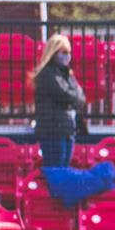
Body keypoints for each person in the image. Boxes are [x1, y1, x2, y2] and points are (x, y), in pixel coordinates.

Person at [31, 34, 89, 171]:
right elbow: (65, 95)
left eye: (69, 52)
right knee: (56, 170)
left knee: (64, 169)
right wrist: (75, 98)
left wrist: (75, 98)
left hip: (67, 129)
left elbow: (81, 97)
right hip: (52, 131)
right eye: (63, 52)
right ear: (54, 53)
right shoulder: (47, 74)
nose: (67, 56)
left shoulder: (67, 74)